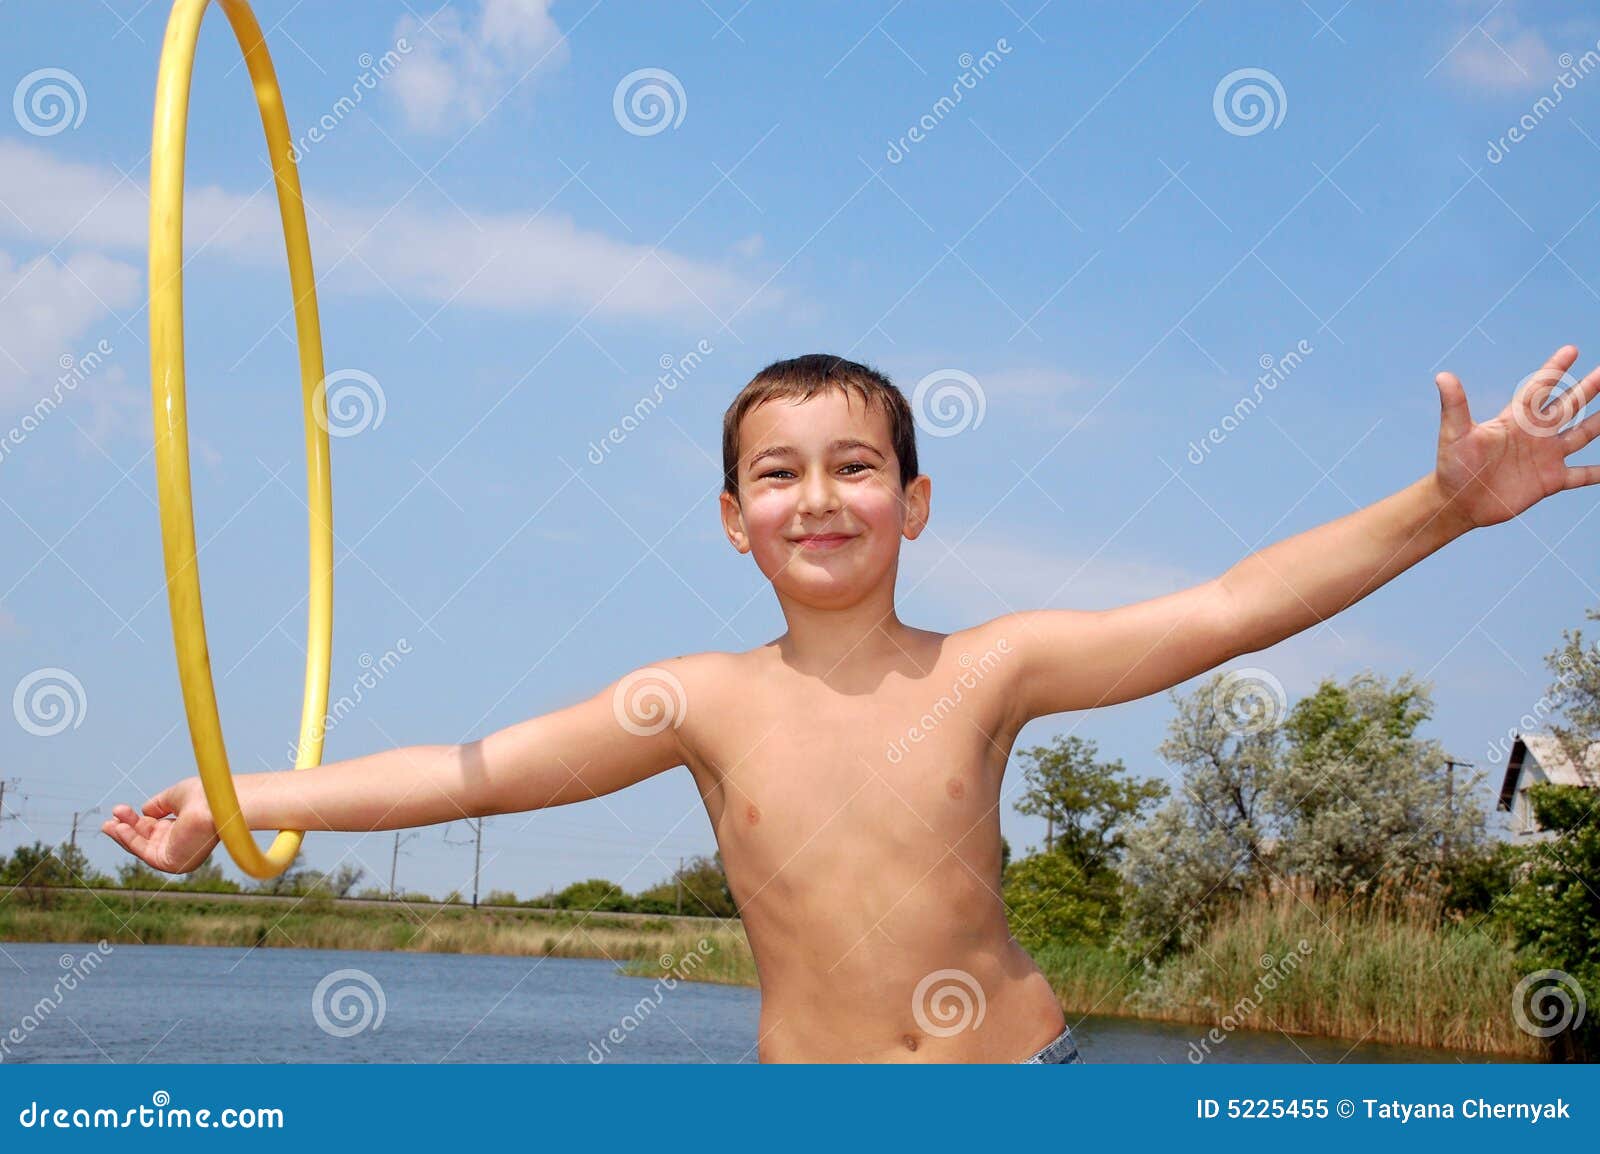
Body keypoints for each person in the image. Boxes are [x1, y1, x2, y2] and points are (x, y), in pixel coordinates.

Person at [104, 347, 1600, 1063]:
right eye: (778, 472)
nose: (817, 495)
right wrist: (235, 804)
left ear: (915, 502)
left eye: (856, 466)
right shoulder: (693, 701)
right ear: (732, 520)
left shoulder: (991, 668)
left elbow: (1226, 607)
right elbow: (468, 773)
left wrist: (1445, 507)